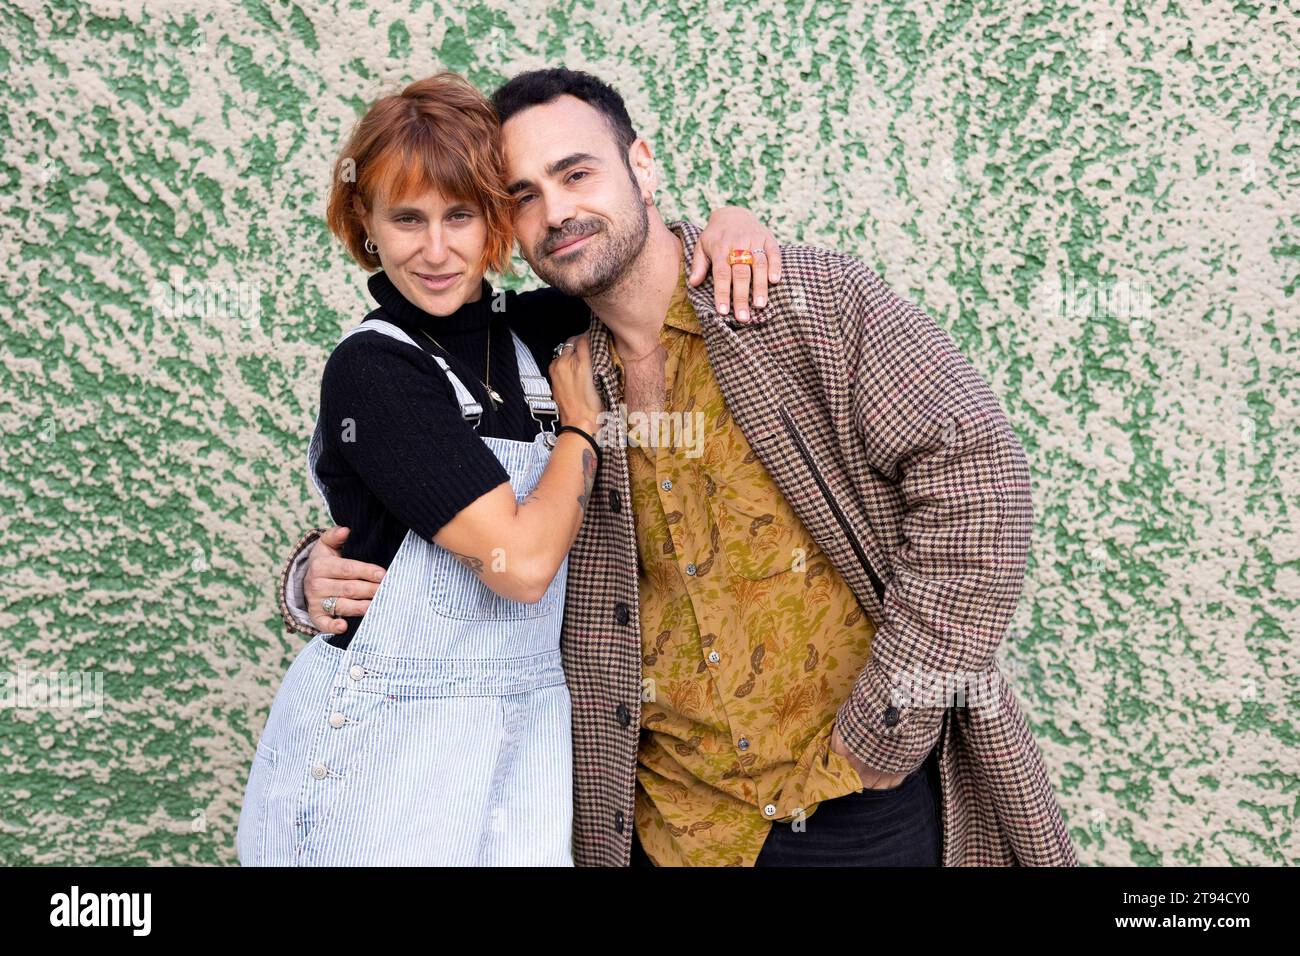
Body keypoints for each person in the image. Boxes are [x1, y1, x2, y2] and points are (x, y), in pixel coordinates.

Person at [278, 68, 1078, 867]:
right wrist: (316, 571)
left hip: (854, 801)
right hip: (666, 826)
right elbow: (434, 497)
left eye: (577, 172)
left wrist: (887, 730)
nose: (557, 212)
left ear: (645, 166)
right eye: (523, 195)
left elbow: (979, 487)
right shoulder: (548, 356)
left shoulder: (801, 303)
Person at [235, 71, 777, 866]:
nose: (436, 249)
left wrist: (732, 226)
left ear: (494, 217)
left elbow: (644, 263)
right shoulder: (374, 370)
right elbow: (519, 565)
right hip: (390, 746)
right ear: (366, 223)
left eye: (461, 215)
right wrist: (581, 432)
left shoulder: (531, 329)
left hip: (526, 736)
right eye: (407, 219)